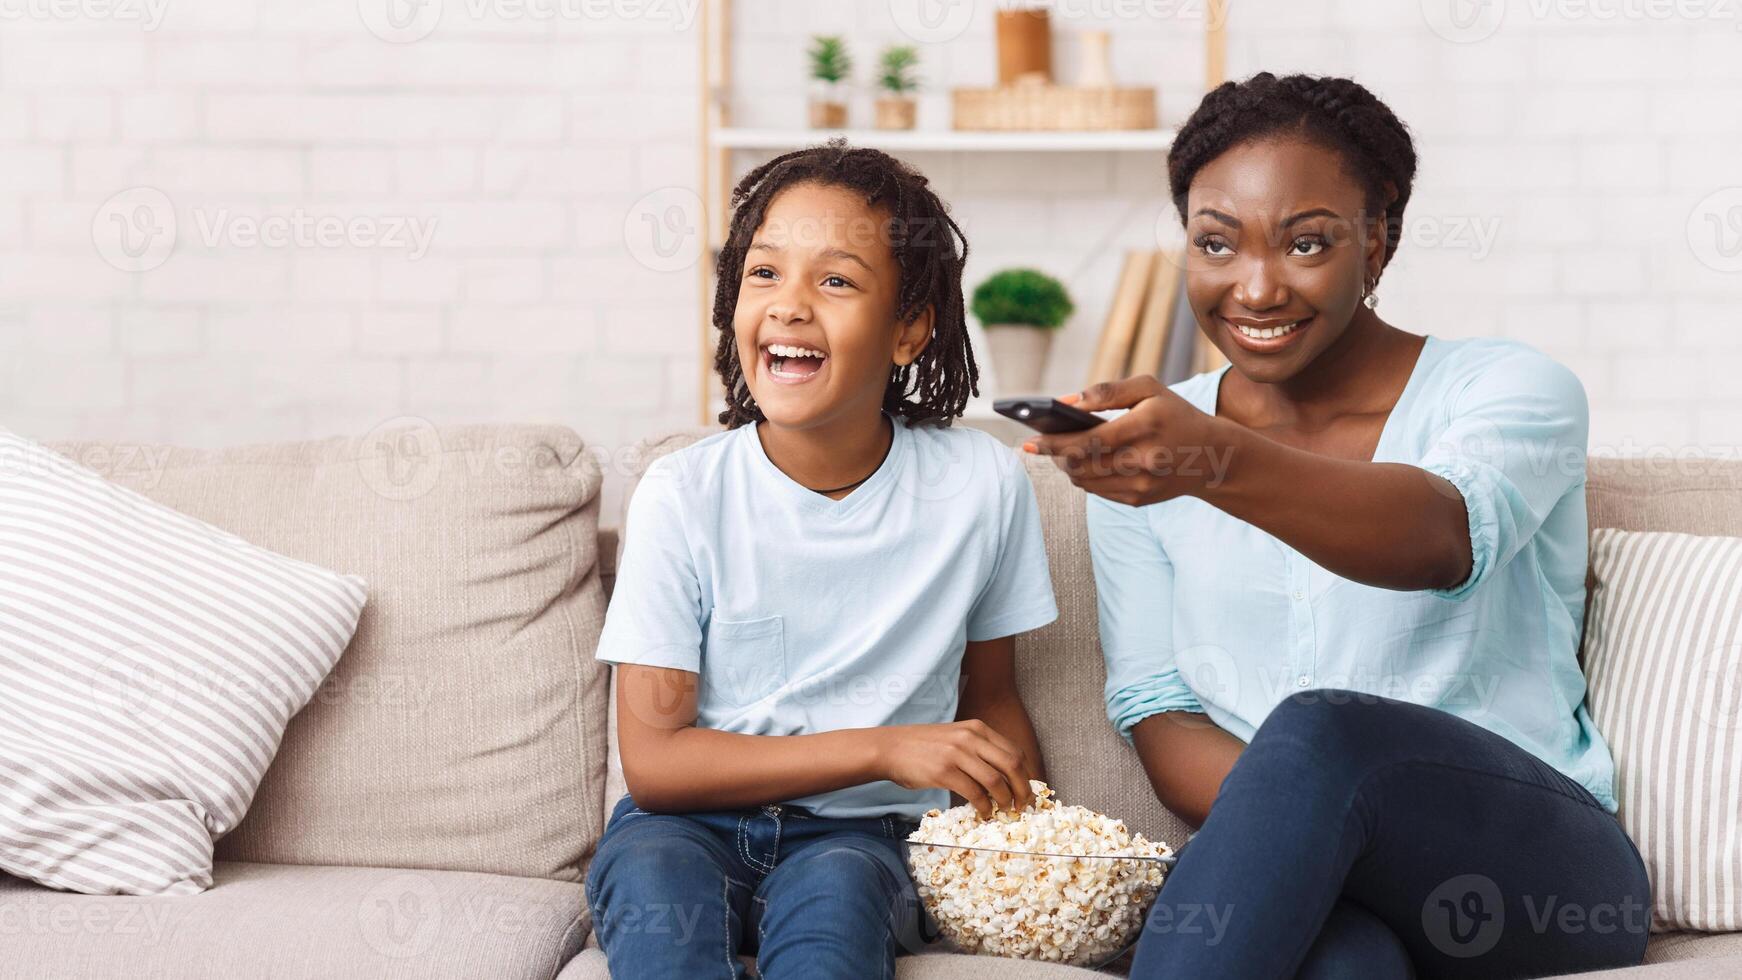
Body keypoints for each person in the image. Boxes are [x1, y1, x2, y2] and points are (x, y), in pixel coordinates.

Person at [1026, 73, 1650, 978]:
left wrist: (1212, 462)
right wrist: (1299, 828)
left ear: (1379, 238)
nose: (1255, 287)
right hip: (1316, 874)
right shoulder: (1144, 454)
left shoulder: (1509, 390)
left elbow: (1441, 539)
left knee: (1321, 734)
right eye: (1215, 244)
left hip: (1534, 870)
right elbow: (1159, 714)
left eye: (1306, 243)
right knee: (1340, 963)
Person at [587, 139, 1059, 980]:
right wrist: (884, 747)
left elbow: (992, 702)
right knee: (660, 905)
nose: (790, 306)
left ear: (909, 329)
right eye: (764, 273)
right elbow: (657, 765)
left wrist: (1034, 846)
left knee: (838, 918)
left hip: (862, 840)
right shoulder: (682, 495)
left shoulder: (982, 484)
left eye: (836, 280)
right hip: (681, 830)